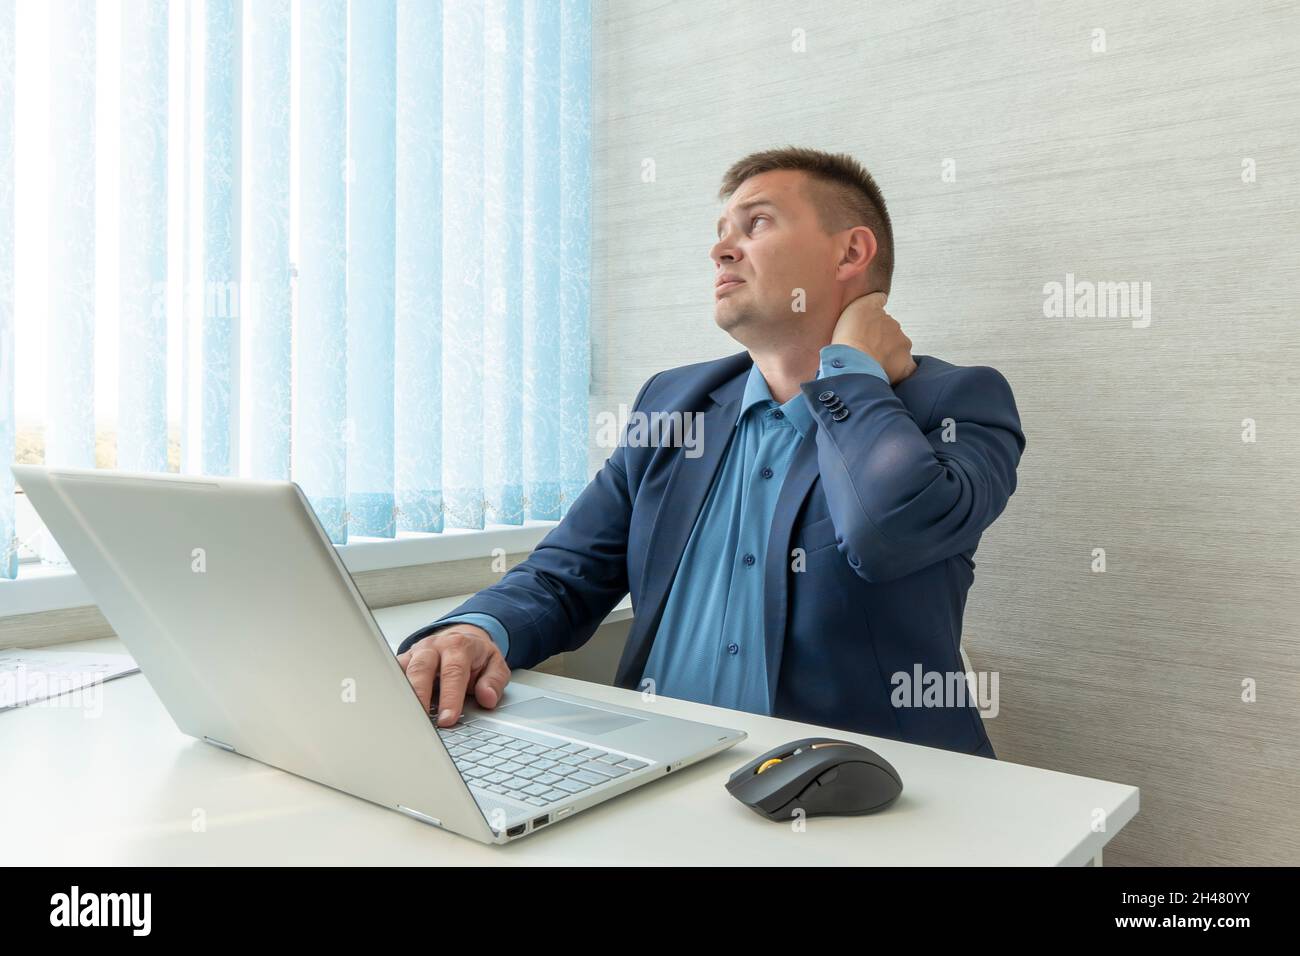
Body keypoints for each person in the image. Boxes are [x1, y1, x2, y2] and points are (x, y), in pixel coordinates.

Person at [397, 146, 1025, 757]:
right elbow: (568, 572)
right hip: (655, 772)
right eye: (721, 231)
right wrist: (476, 629)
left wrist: (852, 375)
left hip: (860, 793)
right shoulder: (672, 402)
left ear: (850, 252)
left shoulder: (956, 401)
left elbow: (888, 533)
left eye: (756, 223)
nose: (721, 249)